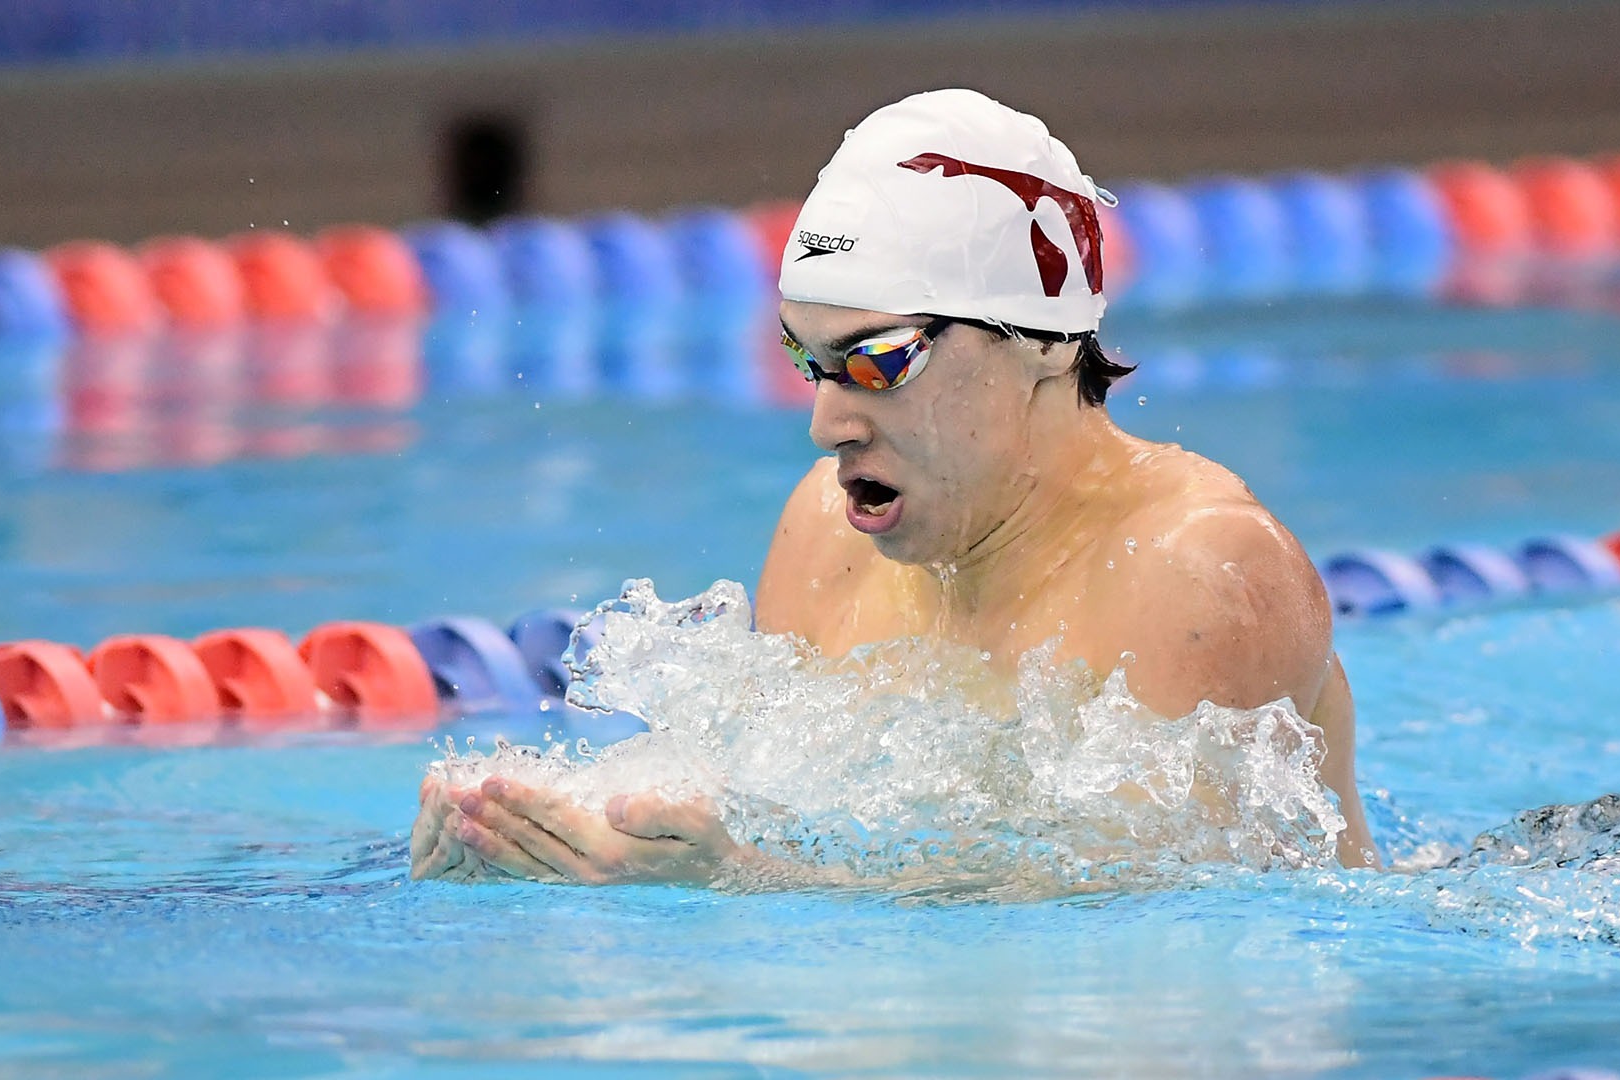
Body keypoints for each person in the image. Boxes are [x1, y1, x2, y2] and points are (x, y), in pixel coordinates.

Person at [410, 88, 1378, 885]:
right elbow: (755, 833)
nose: (828, 423)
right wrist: (531, 844)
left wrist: (748, 880)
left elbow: (1151, 926)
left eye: (878, 360)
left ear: (1042, 338)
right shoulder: (827, 530)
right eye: (811, 362)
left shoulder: (1201, 569)